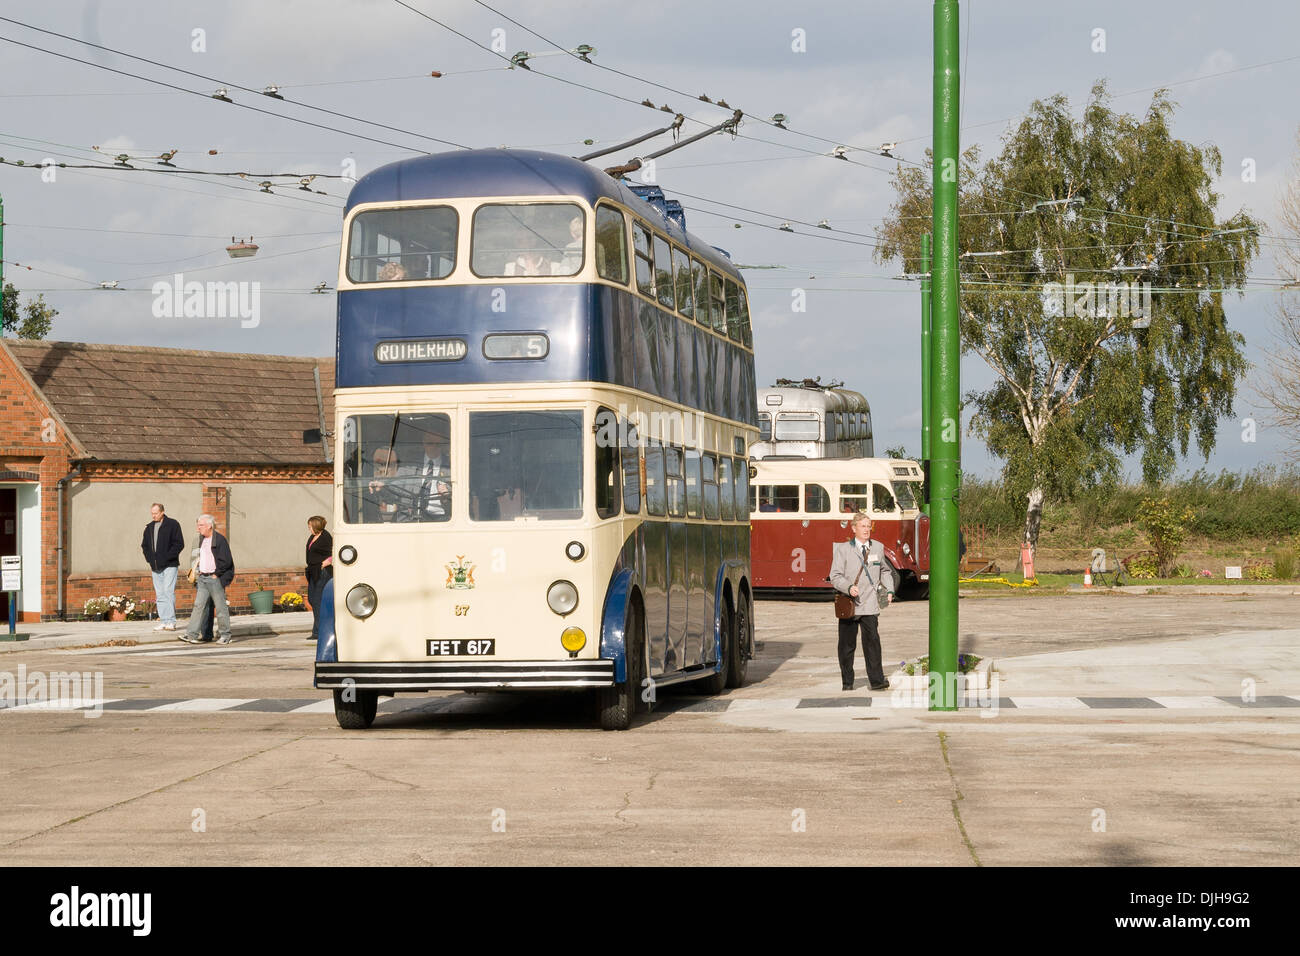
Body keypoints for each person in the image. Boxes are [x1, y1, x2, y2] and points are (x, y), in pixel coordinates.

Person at [829, 511, 897, 691]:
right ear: (854, 528)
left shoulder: (878, 548)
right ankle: (847, 682)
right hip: (849, 604)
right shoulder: (843, 549)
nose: (866, 530)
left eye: (869, 526)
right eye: (863, 526)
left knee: (873, 643)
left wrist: (889, 589)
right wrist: (848, 587)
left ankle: (876, 681)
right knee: (846, 646)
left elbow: (886, 571)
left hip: (870, 604)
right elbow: (834, 576)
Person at [180, 514, 235, 645]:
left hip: (215, 578)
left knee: (221, 608)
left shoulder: (219, 540)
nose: (198, 528)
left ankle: (225, 635)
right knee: (198, 606)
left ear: (210, 526)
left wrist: (217, 574)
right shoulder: (201, 539)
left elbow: (226, 561)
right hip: (203, 578)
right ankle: (191, 634)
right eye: (198, 525)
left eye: (201, 525)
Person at [140, 502, 184, 631]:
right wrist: (150, 559)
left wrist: (166, 558)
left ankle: (171, 621)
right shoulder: (149, 528)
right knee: (160, 594)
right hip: (155, 567)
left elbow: (179, 544)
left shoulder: (173, 525)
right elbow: (145, 546)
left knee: (168, 592)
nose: (153, 516)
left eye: (156, 513)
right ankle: (164, 620)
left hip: (170, 565)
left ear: (162, 512)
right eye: (152, 513)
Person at [305, 515, 333, 643]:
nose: (309, 528)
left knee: (317, 600)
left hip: (322, 572)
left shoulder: (326, 537)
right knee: (311, 598)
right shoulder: (313, 536)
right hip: (313, 571)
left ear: (316, 526)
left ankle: (318, 631)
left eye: (310, 526)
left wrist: (325, 563)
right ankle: (318, 629)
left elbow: (334, 552)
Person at [414, 427, 451, 521]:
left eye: (438, 444)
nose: (434, 447)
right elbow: (395, 491)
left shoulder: (451, 465)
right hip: (415, 515)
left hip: (443, 517)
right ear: (423, 443)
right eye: (430, 443)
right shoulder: (410, 464)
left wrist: (447, 495)